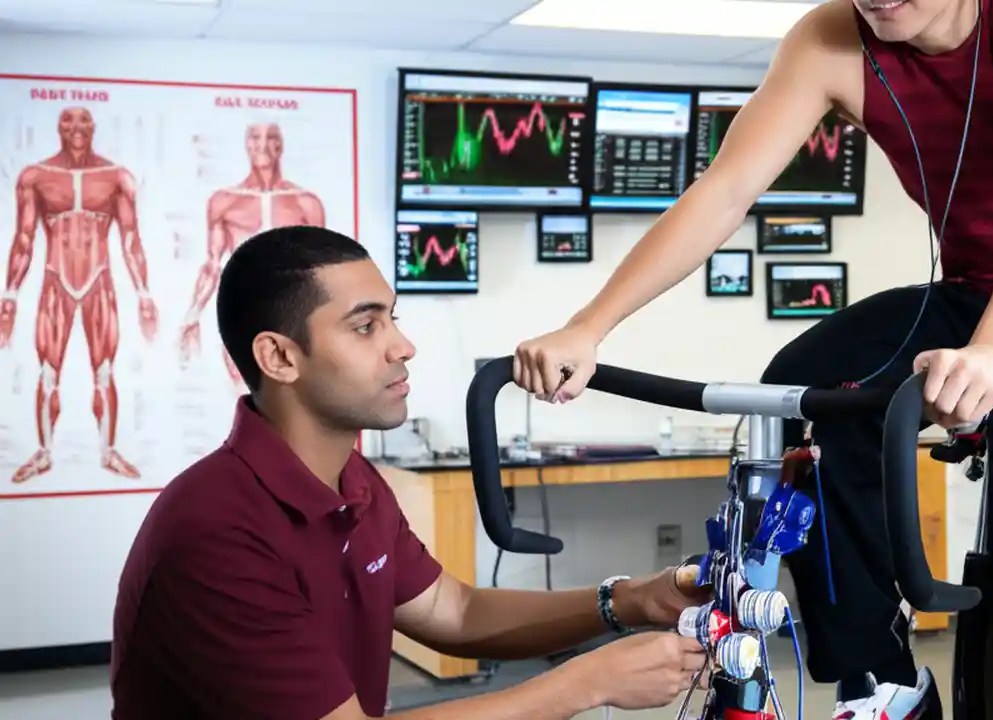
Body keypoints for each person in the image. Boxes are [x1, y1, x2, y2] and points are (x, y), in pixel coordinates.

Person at [512, 1, 993, 719]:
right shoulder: (829, 37)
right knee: (805, 389)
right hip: (970, 296)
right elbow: (726, 190)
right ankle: (880, 678)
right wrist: (590, 326)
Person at [112, 226, 710, 719]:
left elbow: (456, 614)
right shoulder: (218, 532)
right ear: (280, 357)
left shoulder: (353, 480)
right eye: (366, 325)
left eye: (392, 318)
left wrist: (627, 600)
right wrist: (586, 683)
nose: (403, 346)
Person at [0, 106, 158, 484]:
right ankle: (44, 452)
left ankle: (107, 452)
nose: (76, 127)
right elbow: (23, 239)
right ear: (58, 127)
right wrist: (9, 296)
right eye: (68, 120)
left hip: (98, 282)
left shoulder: (115, 176)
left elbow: (131, 237)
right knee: (47, 372)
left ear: (93, 127)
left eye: (83, 120)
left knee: (104, 371)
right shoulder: (36, 176)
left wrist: (144, 294)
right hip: (56, 281)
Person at [179, 121, 326, 384]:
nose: (263, 144)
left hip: (292, 312)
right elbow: (212, 265)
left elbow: (320, 270)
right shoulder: (224, 201)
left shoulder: (306, 202)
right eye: (255, 137)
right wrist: (192, 315)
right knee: (248, 393)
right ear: (247, 144)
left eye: (271, 137)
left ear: (280, 145)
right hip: (244, 311)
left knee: (294, 402)